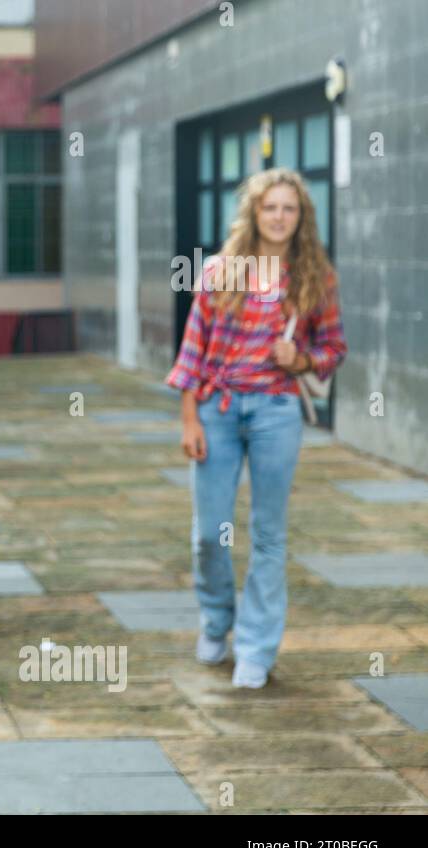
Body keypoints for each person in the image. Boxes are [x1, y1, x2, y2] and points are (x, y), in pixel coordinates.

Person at [167, 168, 347, 689]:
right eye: (270, 207)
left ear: (301, 217)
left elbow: (334, 350)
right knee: (209, 533)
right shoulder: (222, 270)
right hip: (217, 410)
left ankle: (256, 648)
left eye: (289, 209)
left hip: (275, 411)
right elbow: (192, 347)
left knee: (268, 535)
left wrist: (301, 359)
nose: (279, 217)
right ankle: (216, 620)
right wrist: (188, 417)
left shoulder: (317, 277)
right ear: (254, 211)